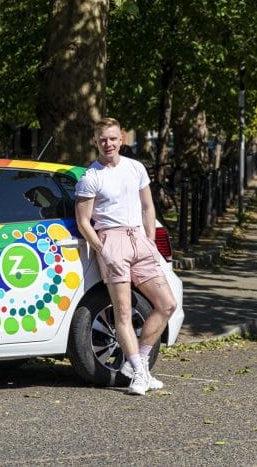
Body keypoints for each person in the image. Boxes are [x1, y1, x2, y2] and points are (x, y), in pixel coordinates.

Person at [74, 117, 178, 396]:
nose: (108, 144)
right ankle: (139, 375)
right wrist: (103, 250)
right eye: (102, 139)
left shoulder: (136, 168)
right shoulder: (91, 177)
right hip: (112, 241)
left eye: (112, 138)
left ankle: (139, 362)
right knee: (122, 311)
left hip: (140, 240)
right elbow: (84, 221)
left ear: (121, 139)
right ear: (95, 142)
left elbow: (147, 206)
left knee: (167, 304)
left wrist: (150, 240)